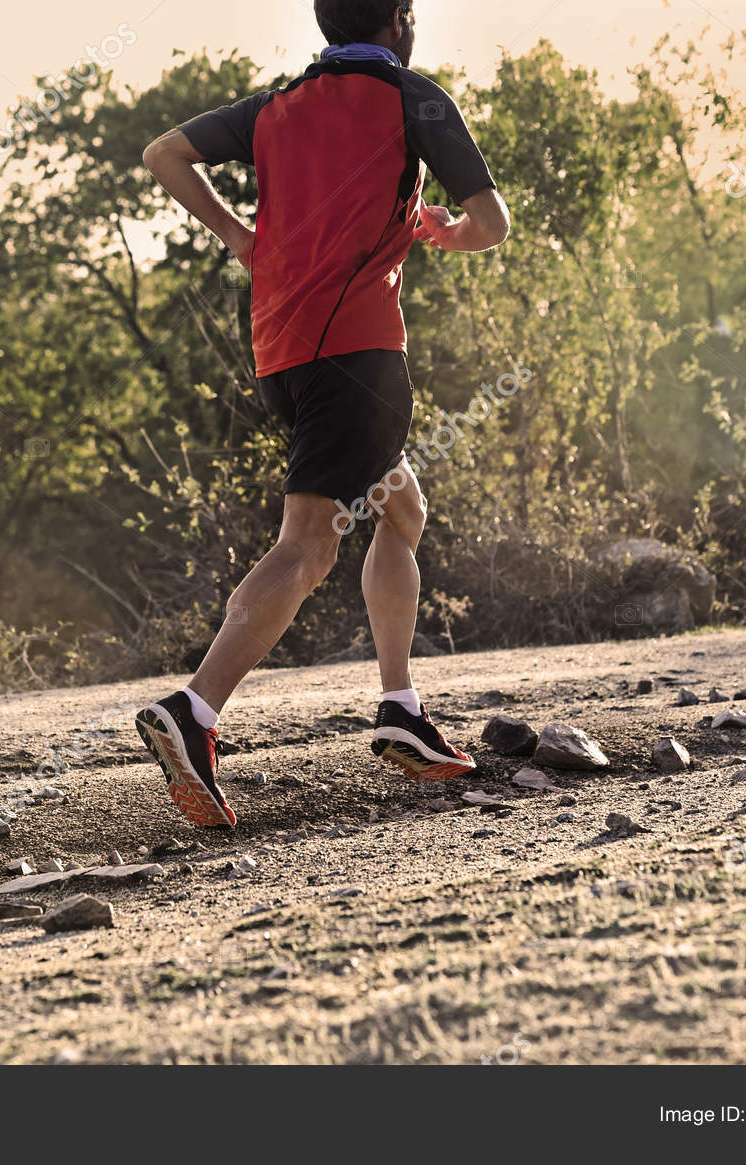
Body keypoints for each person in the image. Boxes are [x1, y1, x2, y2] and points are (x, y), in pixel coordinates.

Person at [135, 0, 510, 826]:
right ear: (401, 21)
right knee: (308, 546)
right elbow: (493, 223)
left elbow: (165, 153)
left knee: (401, 507)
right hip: (361, 355)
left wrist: (240, 235)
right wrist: (438, 232)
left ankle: (401, 709)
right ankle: (193, 711)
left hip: (281, 352)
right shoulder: (414, 98)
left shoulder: (274, 106)